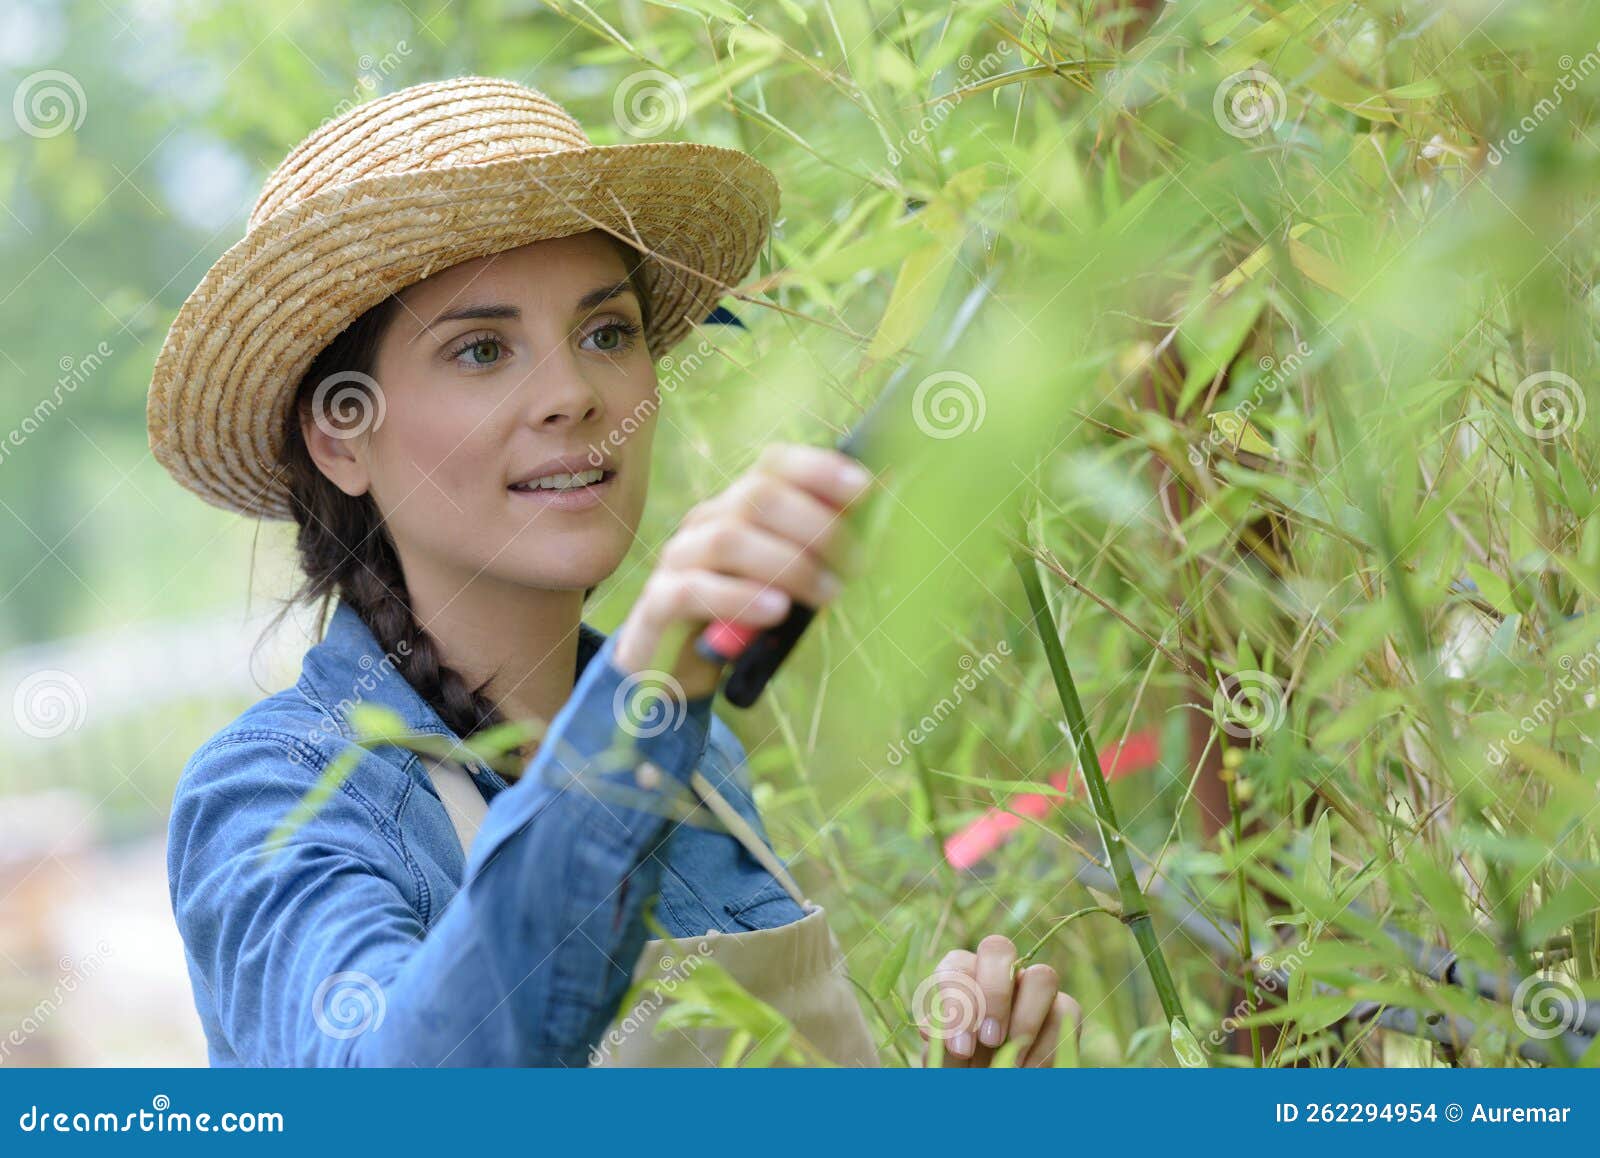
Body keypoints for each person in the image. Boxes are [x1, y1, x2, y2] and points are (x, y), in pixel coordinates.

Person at [149, 75, 1078, 1067]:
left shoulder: (700, 761)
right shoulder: (281, 793)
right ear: (341, 435)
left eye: (605, 333)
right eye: (478, 350)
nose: (572, 394)